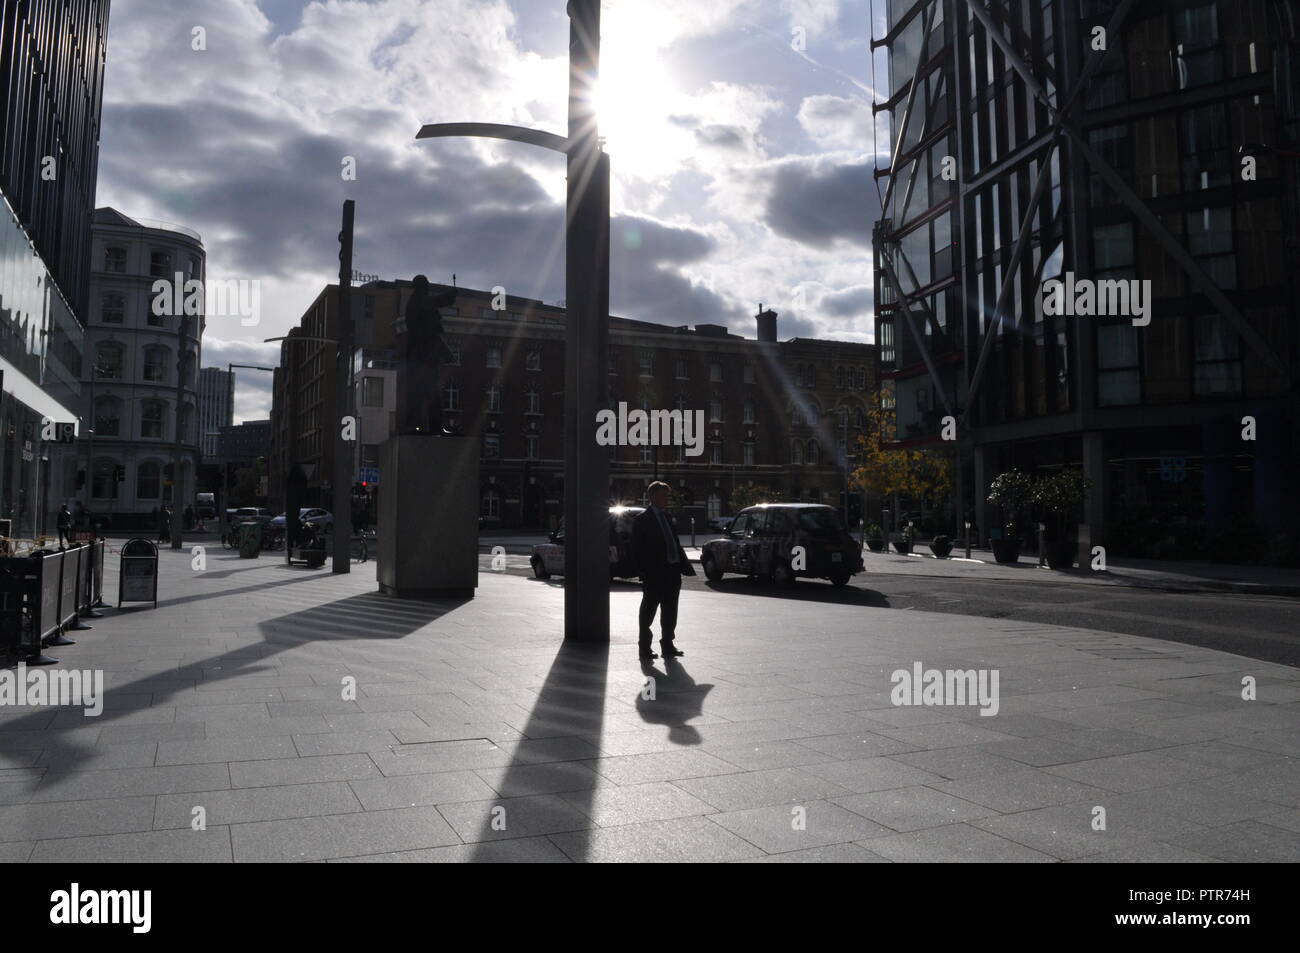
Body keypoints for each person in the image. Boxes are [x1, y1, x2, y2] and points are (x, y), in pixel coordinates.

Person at [630, 481, 696, 661]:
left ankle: (667, 644)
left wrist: (682, 564)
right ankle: (644, 647)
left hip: (672, 571)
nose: (667, 498)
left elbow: (674, 542)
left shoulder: (667, 517)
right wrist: (643, 572)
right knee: (648, 611)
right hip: (654, 573)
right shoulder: (642, 520)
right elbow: (636, 549)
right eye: (664, 495)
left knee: (670, 610)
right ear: (653, 496)